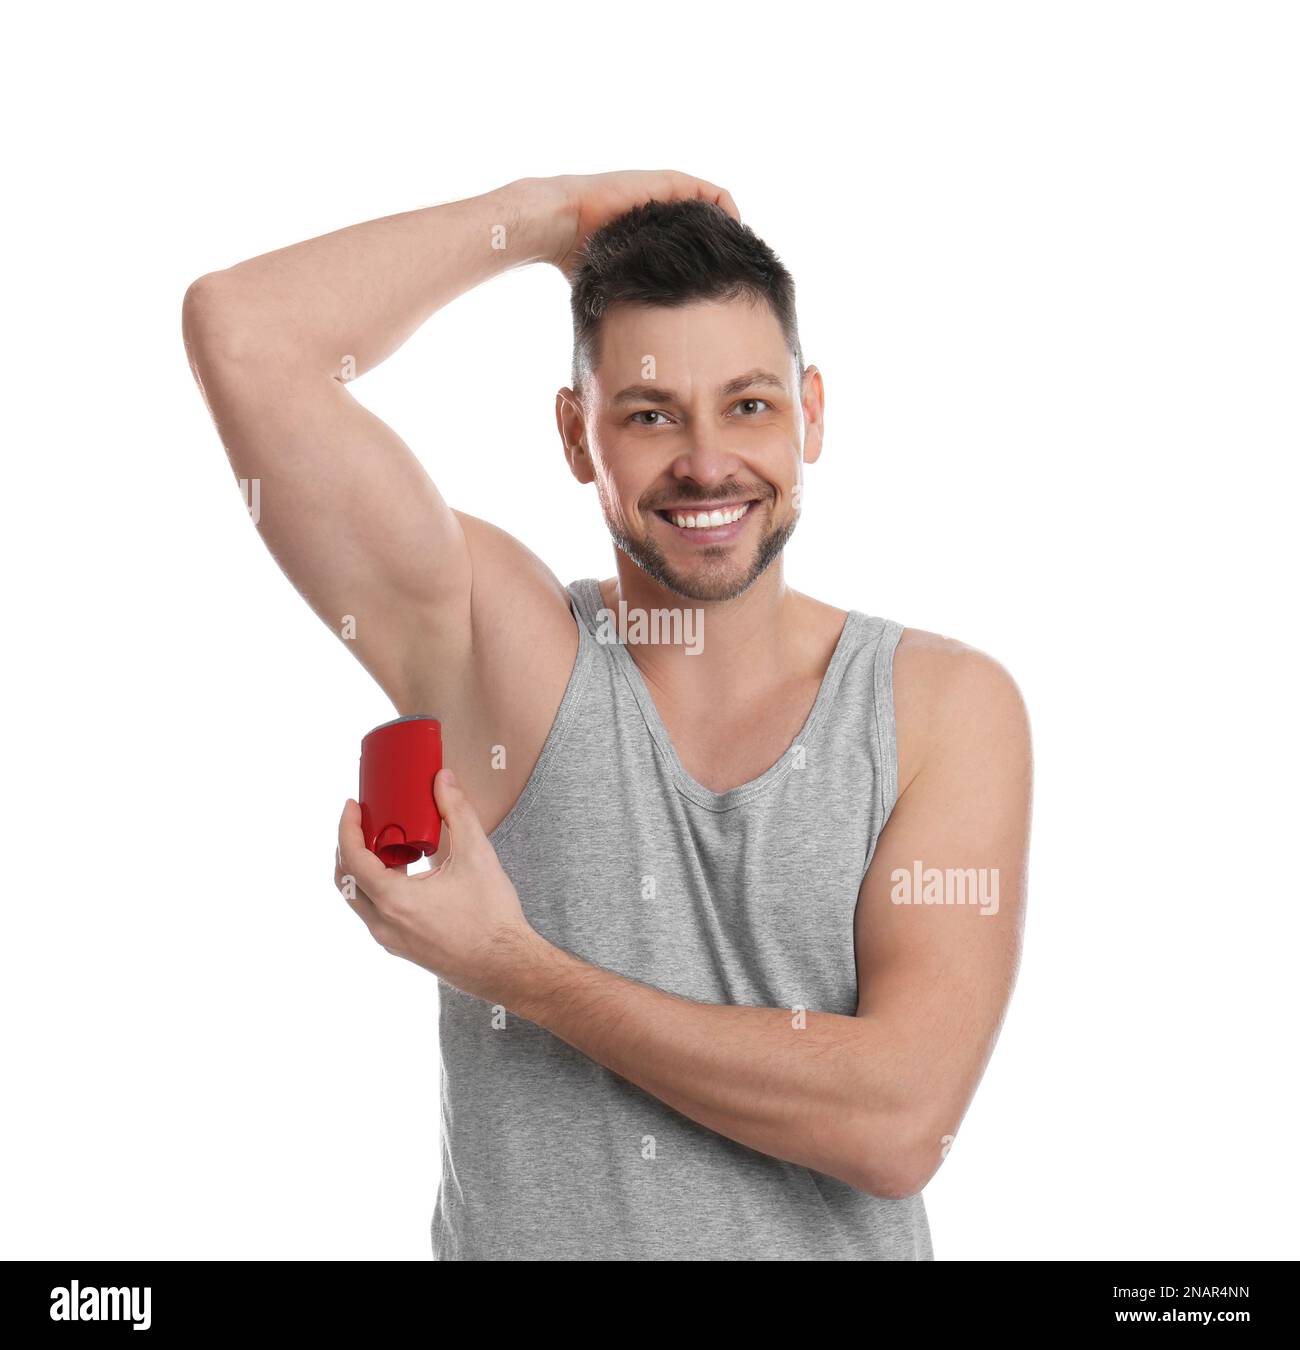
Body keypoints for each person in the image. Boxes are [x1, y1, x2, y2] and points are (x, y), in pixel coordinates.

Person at [181, 171, 1032, 1261]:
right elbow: (242, 332)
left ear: (810, 414)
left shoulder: (942, 708)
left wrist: (519, 971)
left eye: (748, 404)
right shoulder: (502, 658)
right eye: (647, 414)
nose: (706, 460)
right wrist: (546, 222)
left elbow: (898, 1121)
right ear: (577, 437)